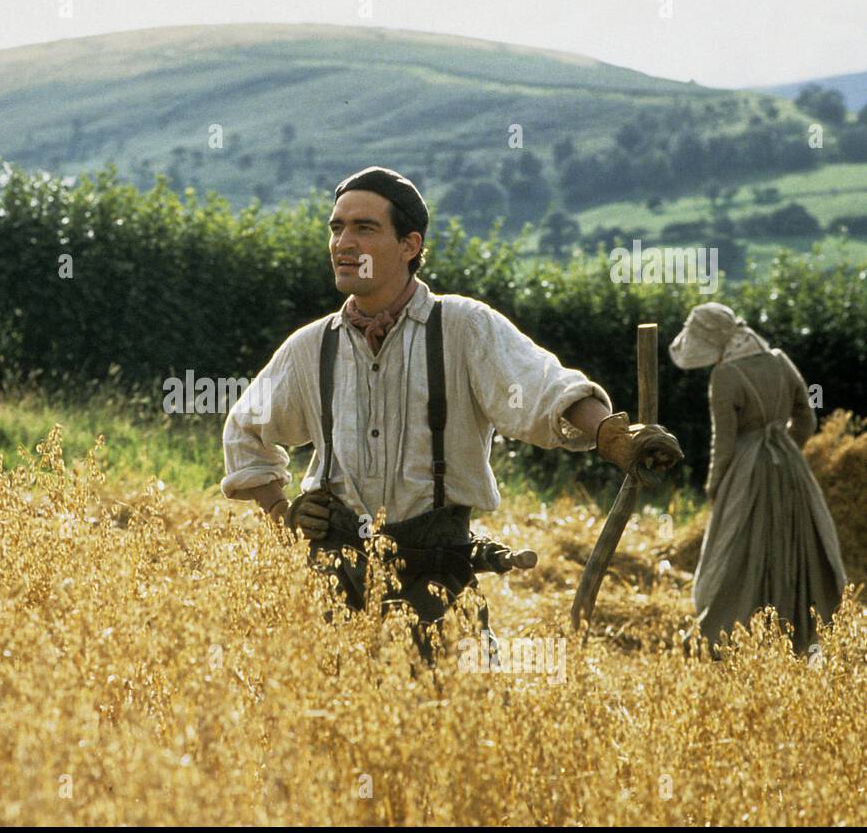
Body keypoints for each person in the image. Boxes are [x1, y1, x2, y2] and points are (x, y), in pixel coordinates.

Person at [222, 166, 683, 658]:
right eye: (337, 228)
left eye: (364, 228)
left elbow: (545, 387)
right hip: (334, 581)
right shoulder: (311, 347)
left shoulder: (462, 327)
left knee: (457, 717)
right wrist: (281, 511)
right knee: (330, 716)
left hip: (438, 577)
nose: (343, 243)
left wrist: (614, 436)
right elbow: (245, 430)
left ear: (409, 244)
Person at [669, 302, 845, 655]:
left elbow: (725, 442)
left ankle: (730, 636)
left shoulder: (725, 376)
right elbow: (807, 418)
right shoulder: (779, 359)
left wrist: (716, 486)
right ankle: (799, 635)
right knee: (794, 545)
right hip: (791, 468)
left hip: (746, 472)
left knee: (738, 550)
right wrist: (785, 449)